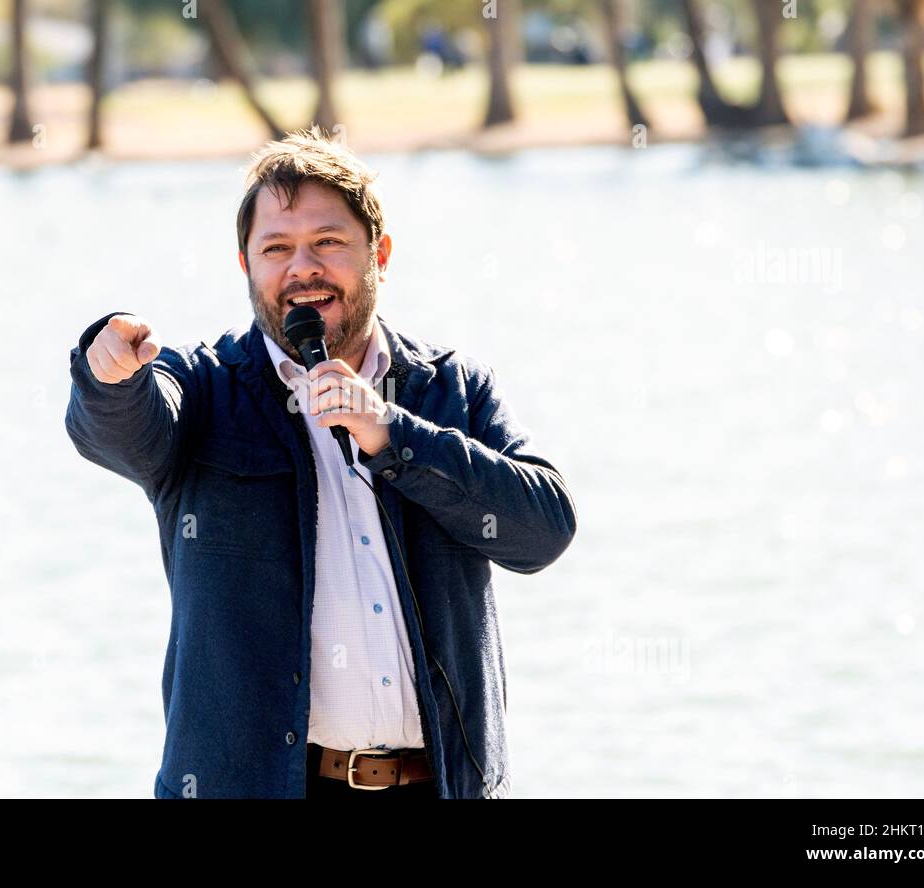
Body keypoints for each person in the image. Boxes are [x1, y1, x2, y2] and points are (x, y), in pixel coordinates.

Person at [64, 125, 577, 799]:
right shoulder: (206, 391)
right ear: (247, 266)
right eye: (276, 248)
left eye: (327, 243)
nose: (301, 267)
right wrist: (109, 373)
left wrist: (389, 430)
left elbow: (542, 531)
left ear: (379, 254)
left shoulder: (451, 389)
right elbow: (120, 428)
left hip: (442, 783)